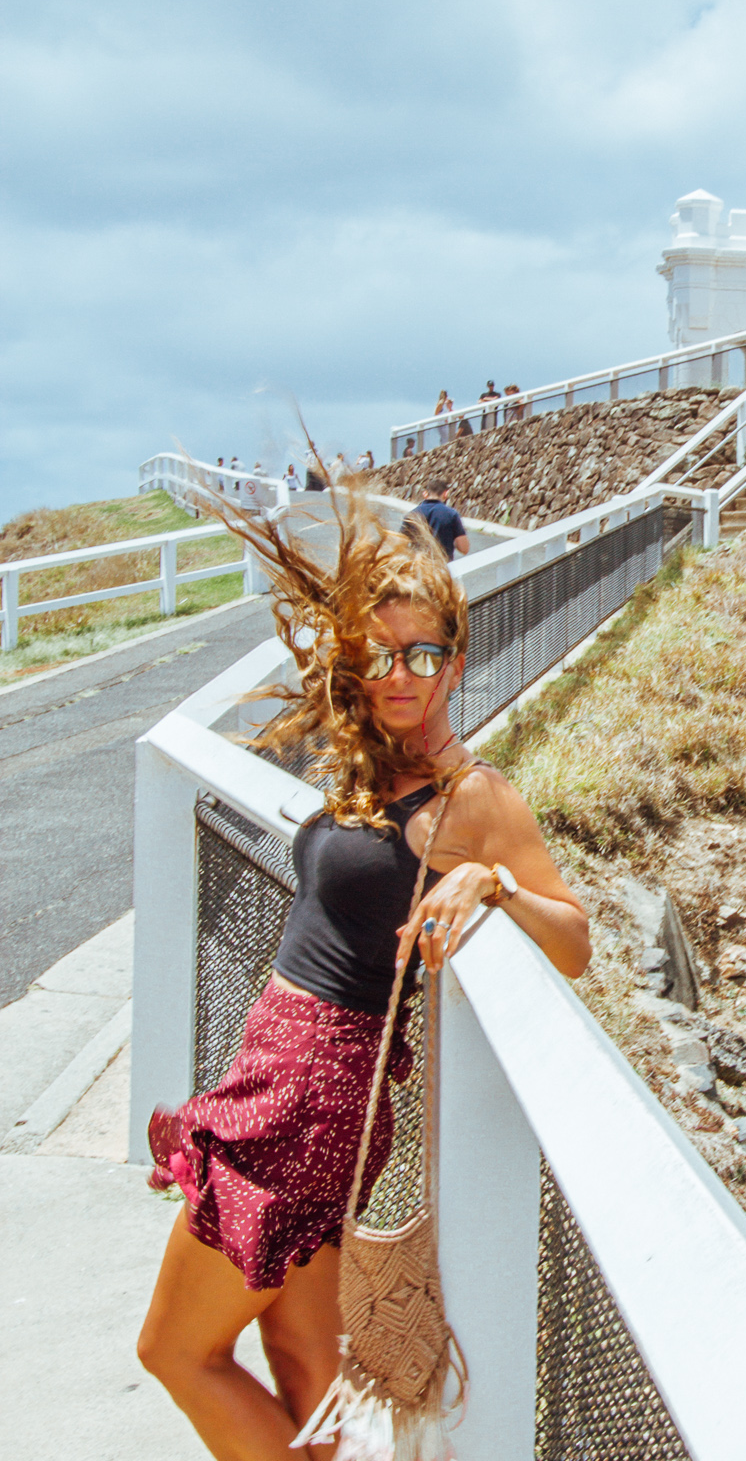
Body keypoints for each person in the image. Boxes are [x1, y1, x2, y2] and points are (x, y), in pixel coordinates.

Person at [137, 494, 590, 1460]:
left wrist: (495, 882)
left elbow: (574, 941)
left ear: (456, 664)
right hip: (288, 1080)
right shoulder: (369, 768)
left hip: (310, 1098)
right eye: (381, 655)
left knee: (175, 1352)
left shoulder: (473, 796)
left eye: (423, 656)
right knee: (304, 1369)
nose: (400, 677)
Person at [407, 477, 469, 559]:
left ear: (425, 494)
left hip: (419, 564)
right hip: (442, 565)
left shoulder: (412, 514)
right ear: (445, 494)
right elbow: (464, 549)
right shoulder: (452, 515)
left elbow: (401, 543)